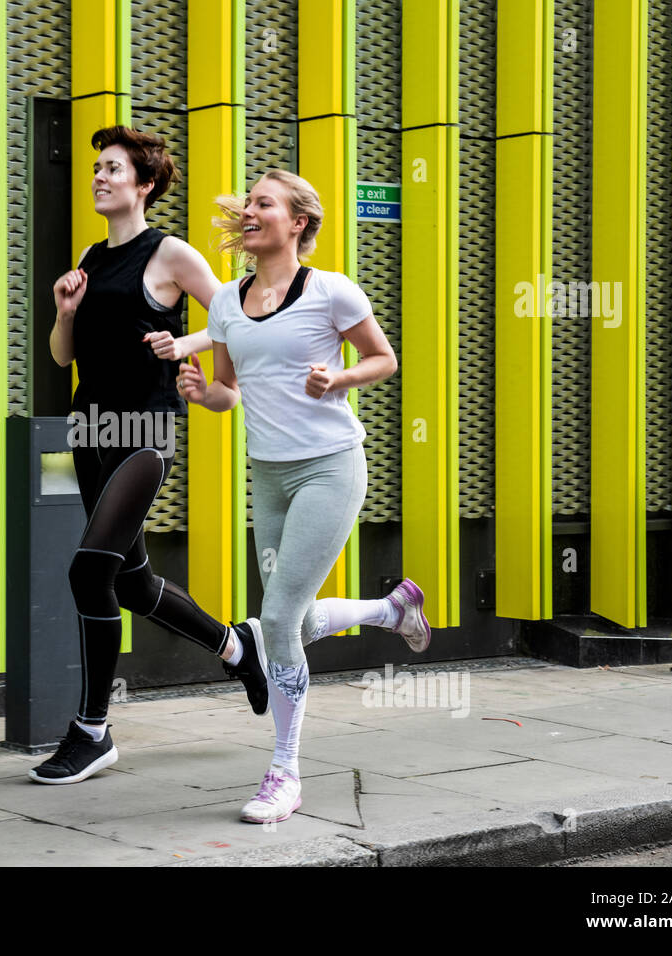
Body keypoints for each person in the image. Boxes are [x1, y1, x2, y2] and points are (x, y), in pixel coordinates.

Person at [172, 169, 431, 823]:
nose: (252, 210)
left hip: (329, 469)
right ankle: (390, 610)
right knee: (291, 618)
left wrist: (338, 377)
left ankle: (284, 773)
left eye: (266, 203)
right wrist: (206, 395)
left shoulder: (331, 292)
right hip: (270, 478)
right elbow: (230, 390)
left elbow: (384, 358)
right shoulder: (226, 304)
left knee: (279, 622)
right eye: (250, 202)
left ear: (298, 223)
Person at [29, 126, 270, 786]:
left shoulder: (169, 255)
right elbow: (63, 355)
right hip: (91, 430)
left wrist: (186, 346)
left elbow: (236, 313)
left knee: (88, 574)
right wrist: (65, 310)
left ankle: (92, 731)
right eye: (97, 168)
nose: (99, 177)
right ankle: (235, 644)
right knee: (130, 583)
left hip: (144, 434)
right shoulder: (89, 255)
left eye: (112, 169)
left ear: (145, 185)